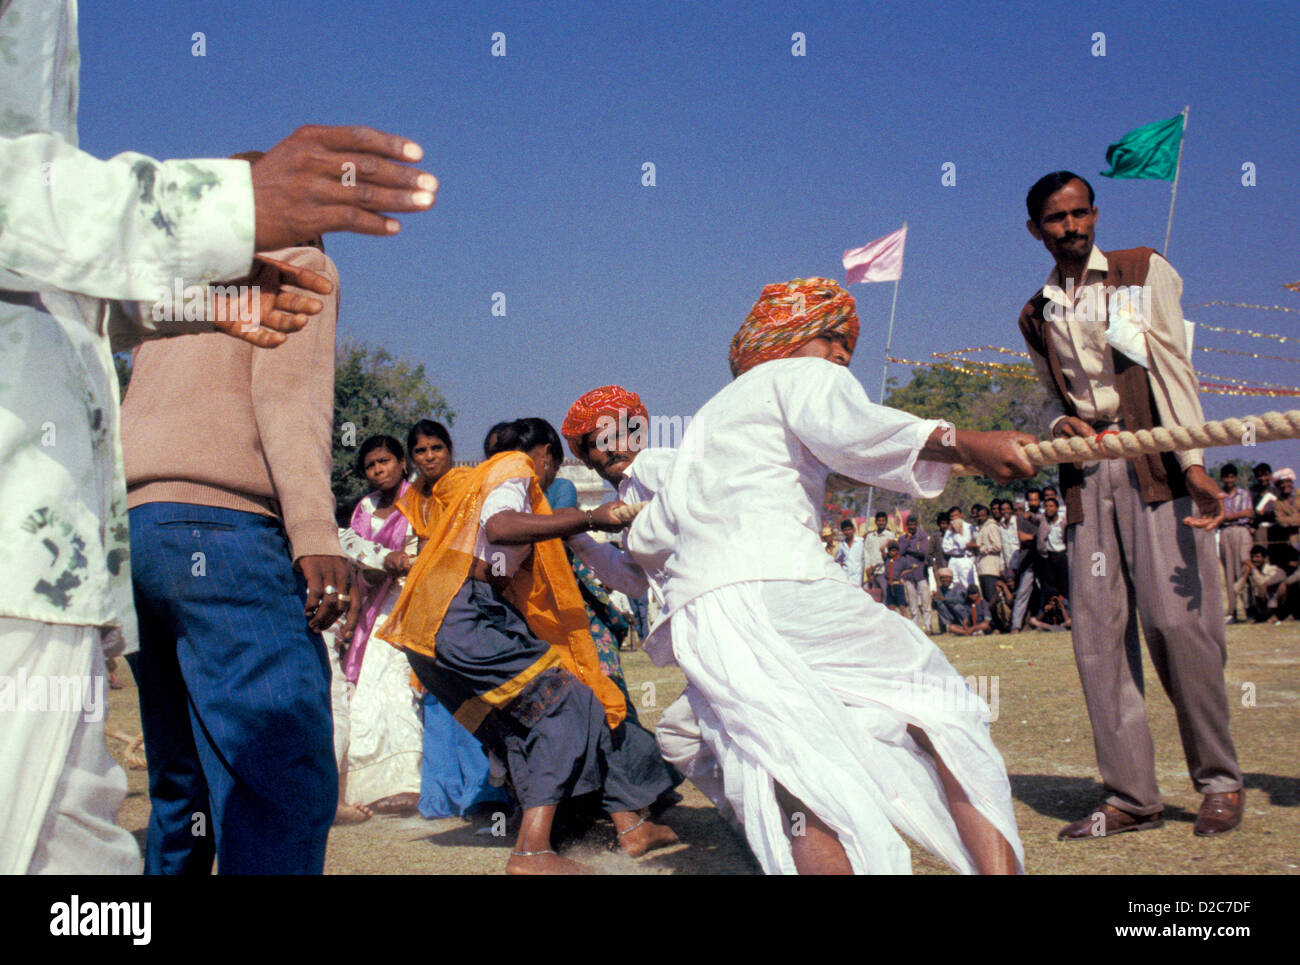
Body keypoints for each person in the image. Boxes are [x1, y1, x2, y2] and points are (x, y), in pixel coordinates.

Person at [0, 1, 436, 875]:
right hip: (220, 532)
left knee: (178, 789)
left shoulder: (174, 289)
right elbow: (293, 409)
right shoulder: (301, 266)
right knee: (281, 767)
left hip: (137, 531)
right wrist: (315, 536)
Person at [627, 276, 1033, 875]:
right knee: (943, 709)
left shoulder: (707, 422)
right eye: (835, 337)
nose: (844, 355)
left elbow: (648, 536)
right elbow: (855, 431)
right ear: (794, 335)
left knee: (797, 771)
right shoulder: (801, 375)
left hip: (702, 617)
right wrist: (968, 441)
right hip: (781, 585)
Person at [1020, 170, 1243, 839]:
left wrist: (1195, 462)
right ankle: (1130, 796)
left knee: (1181, 627)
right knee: (1098, 639)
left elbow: (1174, 366)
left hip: (1158, 462)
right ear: (1036, 230)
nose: (1072, 227)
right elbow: (1054, 395)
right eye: (1057, 219)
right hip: (1088, 480)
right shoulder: (1036, 312)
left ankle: (1221, 781)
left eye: (1081, 213)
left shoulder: (1138, 270)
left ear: (1095, 213)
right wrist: (1061, 426)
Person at [380, 417, 678, 874]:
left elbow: (506, 561)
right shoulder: (514, 467)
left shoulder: (487, 493)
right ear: (546, 454)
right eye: (554, 464)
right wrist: (592, 516)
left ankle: (626, 825)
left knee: (544, 713)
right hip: (459, 613)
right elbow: (500, 528)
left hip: (432, 625)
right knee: (565, 705)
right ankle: (532, 852)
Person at [1218, 464, 1254, 623]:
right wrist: (1235, 515)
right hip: (1225, 533)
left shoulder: (1244, 494)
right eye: (1226, 476)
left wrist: (1228, 516)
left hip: (1242, 531)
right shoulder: (1219, 495)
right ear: (1222, 478)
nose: (1229, 479)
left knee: (1245, 569)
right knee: (1229, 572)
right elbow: (1219, 515)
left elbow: (1248, 513)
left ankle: (1249, 610)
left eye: (1232, 476)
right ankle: (1232, 612)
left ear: (1235, 478)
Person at [898, 514, 933, 633]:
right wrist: (907, 542)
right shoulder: (902, 539)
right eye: (909, 524)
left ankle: (928, 626)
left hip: (921, 572)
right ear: (906, 525)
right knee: (912, 603)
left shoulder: (922, 536)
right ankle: (916, 628)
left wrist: (908, 550)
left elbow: (923, 552)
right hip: (908, 574)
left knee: (925, 601)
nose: (911, 526)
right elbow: (899, 552)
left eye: (914, 524)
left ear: (916, 524)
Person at [1235, 545, 1285, 624]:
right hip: (1258, 604)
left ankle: (1274, 615)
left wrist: (1264, 585)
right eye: (1252, 557)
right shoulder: (1251, 570)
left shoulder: (1271, 569)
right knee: (1245, 586)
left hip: (1270, 604)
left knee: (1278, 586)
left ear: (1265, 558)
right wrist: (1246, 574)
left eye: (1257, 557)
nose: (1254, 559)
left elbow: (1279, 577)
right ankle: (1252, 615)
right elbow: (1236, 589)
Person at [1036, 496, 1069, 605]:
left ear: (1057, 508)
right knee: (1051, 589)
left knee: (1064, 586)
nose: (1048, 509)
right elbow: (1031, 517)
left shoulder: (1063, 522)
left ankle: (1067, 612)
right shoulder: (1044, 521)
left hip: (1061, 556)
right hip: (1048, 557)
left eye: (1051, 506)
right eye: (1046, 506)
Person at [974, 503, 1004, 608]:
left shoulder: (991, 527)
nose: (980, 518)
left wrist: (980, 548)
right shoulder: (981, 529)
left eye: (983, 515)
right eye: (978, 515)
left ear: (987, 515)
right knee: (986, 597)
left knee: (992, 597)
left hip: (990, 568)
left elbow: (998, 545)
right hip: (982, 567)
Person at [943, 506, 977, 589]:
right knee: (952, 584)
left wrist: (957, 534)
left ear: (961, 515)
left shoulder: (969, 528)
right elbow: (946, 548)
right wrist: (957, 548)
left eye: (956, 515)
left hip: (965, 559)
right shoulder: (949, 530)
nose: (954, 519)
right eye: (952, 517)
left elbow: (964, 545)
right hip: (953, 559)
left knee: (967, 583)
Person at [933, 567, 970, 633]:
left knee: (956, 607)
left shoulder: (959, 586)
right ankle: (948, 627)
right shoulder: (940, 589)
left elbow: (961, 600)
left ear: (951, 578)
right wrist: (934, 601)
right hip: (951, 614)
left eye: (947, 577)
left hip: (963, 613)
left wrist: (945, 600)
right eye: (942, 578)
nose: (944, 580)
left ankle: (966, 625)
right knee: (940, 606)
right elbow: (935, 607)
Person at [876, 542, 909, 615]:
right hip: (889, 585)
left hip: (898, 585)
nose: (891, 552)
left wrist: (903, 573)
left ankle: (905, 623)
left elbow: (912, 567)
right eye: (890, 550)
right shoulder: (887, 559)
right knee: (891, 608)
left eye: (893, 550)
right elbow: (881, 549)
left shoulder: (902, 560)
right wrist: (888, 542)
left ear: (897, 551)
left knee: (902, 607)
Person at [834, 519, 867, 588]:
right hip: (846, 578)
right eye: (845, 530)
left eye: (849, 529)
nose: (847, 532)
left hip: (858, 577)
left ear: (853, 530)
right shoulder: (841, 545)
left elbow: (866, 558)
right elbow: (837, 561)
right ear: (842, 531)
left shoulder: (860, 542)